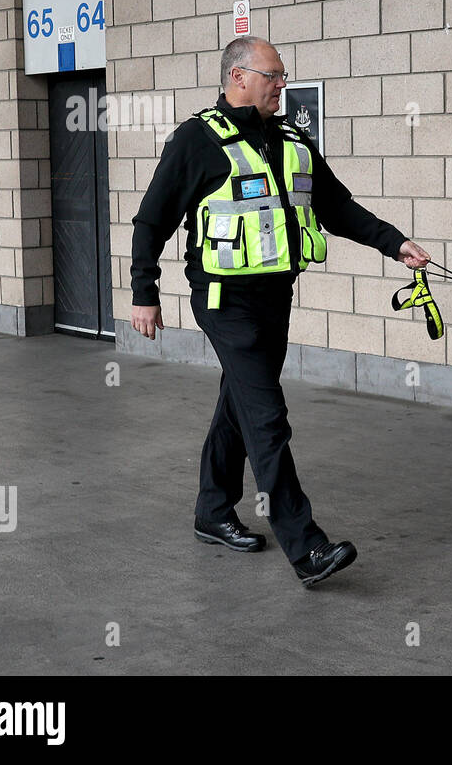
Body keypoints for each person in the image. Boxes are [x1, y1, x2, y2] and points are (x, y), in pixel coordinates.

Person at [129, 36, 430, 588]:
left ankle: (212, 512)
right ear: (238, 77)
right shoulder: (196, 141)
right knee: (268, 418)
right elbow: (151, 220)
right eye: (273, 75)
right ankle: (306, 546)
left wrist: (394, 243)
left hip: (275, 298)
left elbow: (335, 205)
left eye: (283, 76)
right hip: (224, 302)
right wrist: (144, 291)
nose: (281, 85)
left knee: (239, 405)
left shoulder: (291, 139)